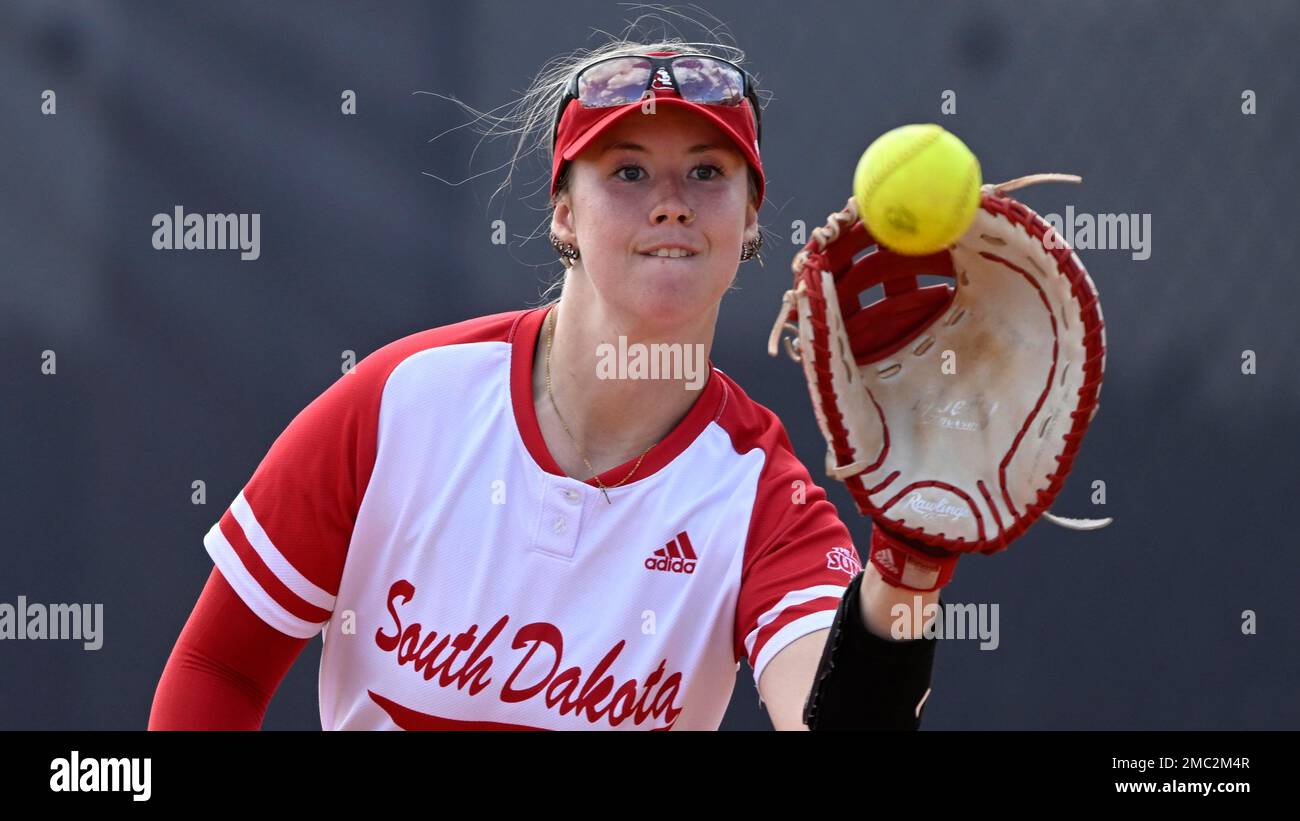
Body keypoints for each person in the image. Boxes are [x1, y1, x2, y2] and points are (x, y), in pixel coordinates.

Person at [148, 39, 942, 732]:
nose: (671, 204)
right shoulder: (401, 402)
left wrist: (907, 572)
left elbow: (836, 721)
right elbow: (221, 667)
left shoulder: (757, 495)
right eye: (628, 171)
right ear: (563, 212)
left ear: (751, 220)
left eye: (708, 172)